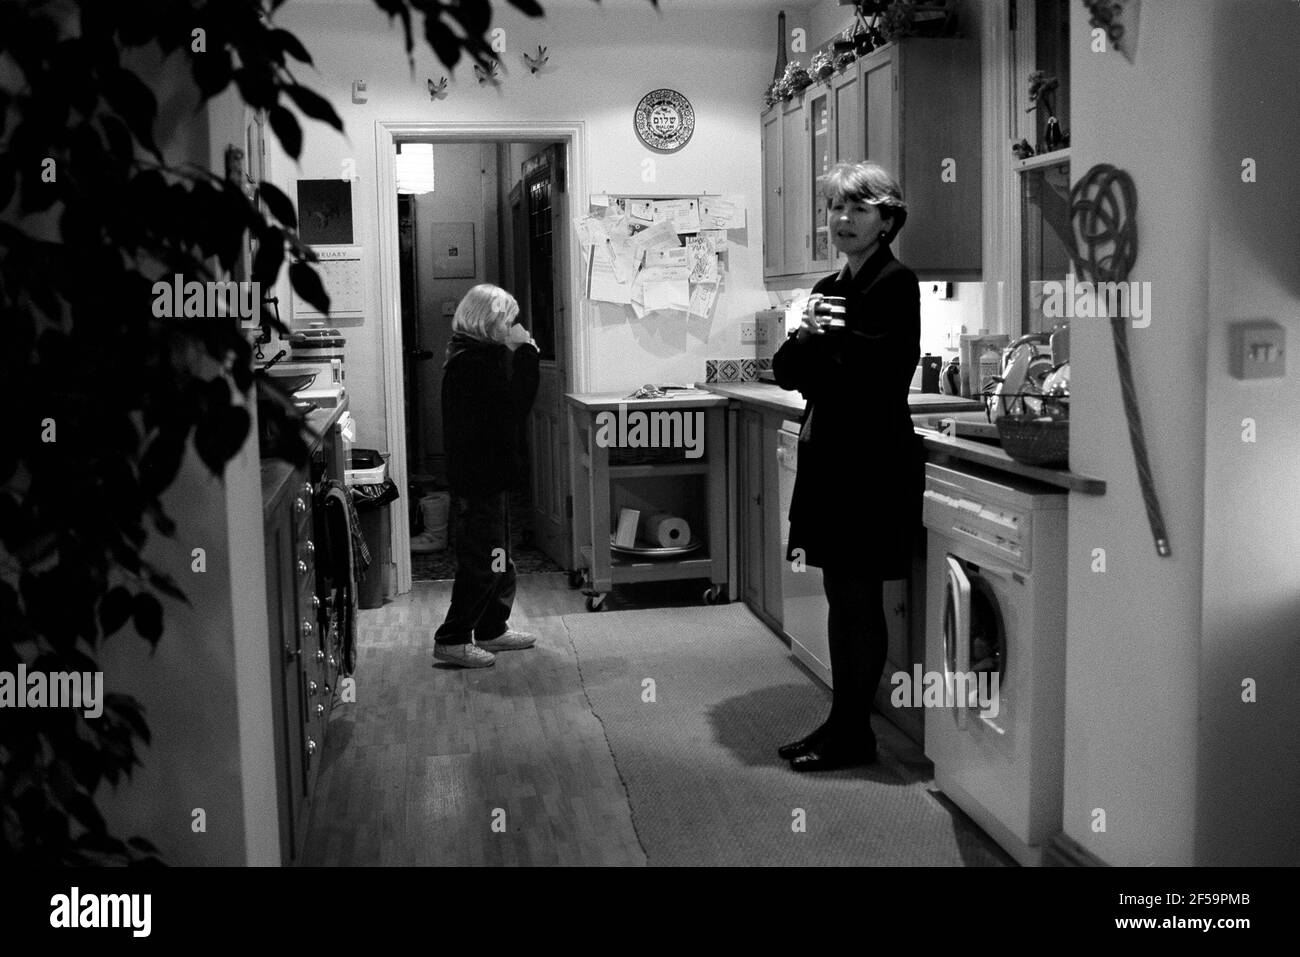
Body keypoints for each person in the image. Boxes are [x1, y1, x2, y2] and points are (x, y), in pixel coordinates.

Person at [771, 161, 923, 771]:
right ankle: (841, 723)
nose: (842, 220)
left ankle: (855, 733)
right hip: (831, 458)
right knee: (840, 596)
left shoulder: (895, 283)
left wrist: (822, 350)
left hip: (871, 463)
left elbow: (875, 376)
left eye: (858, 209)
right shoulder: (829, 288)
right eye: (835, 208)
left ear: (886, 220)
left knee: (860, 601)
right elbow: (786, 372)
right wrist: (809, 334)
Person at [432, 284, 541, 668]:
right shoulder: (473, 363)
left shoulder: (476, 356)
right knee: (483, 558)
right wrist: (526, 352)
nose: (515, 326)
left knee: (499, 555)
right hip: (478, 479)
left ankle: (492, 627)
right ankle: (453, 637)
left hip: (486, 475)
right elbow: (513, 409)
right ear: (491, 321)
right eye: (508, 319)